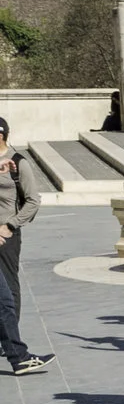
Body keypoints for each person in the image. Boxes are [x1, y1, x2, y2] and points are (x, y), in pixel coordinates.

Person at [0, 114, 45, 375]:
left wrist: (10, 225)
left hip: (7, 235)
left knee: (8, 290)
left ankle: (10, 342)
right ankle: (15, 349)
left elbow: (33, 201)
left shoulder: (19, 163)